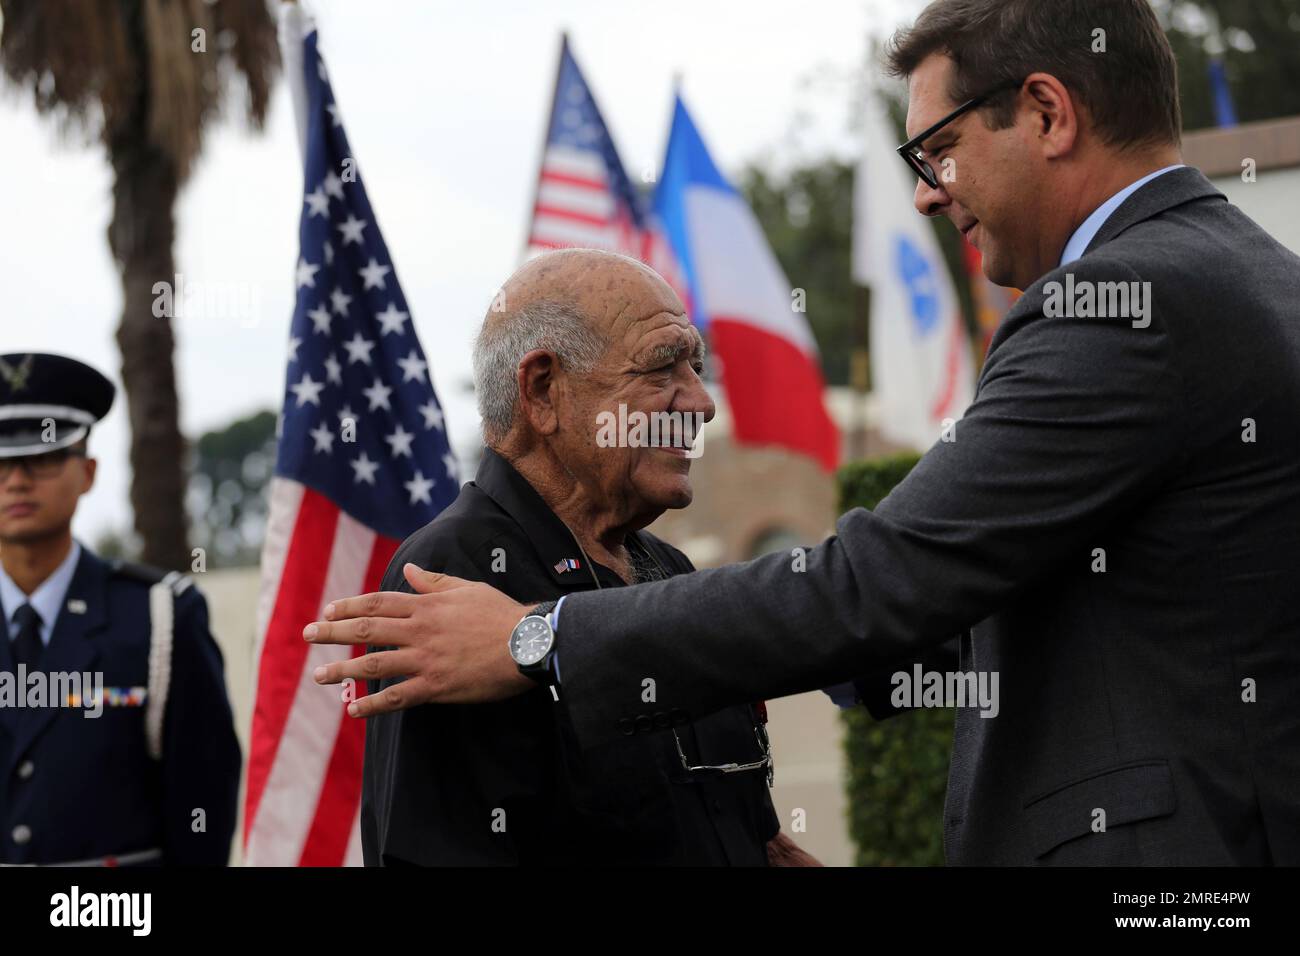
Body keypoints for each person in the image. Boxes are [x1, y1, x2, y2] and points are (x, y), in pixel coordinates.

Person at [308, 0, 1300, 865]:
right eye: (665, 366)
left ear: (1046, 112)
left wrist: (536, 638)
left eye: (937, 147)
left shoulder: (1119, 304)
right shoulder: (445, 592)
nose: (925, 188)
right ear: (543, 390)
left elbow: (881, 584)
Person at [361, 250, 816, 866]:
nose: (702, 404)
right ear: (544, 391)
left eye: (697, 368)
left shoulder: (668, 567)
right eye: (661, 370)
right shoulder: (452, 573)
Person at [0, 353, 241, 866]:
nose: (16, 480)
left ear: (87, 472)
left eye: (40, 458)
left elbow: (203, 802)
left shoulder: (159, 617)